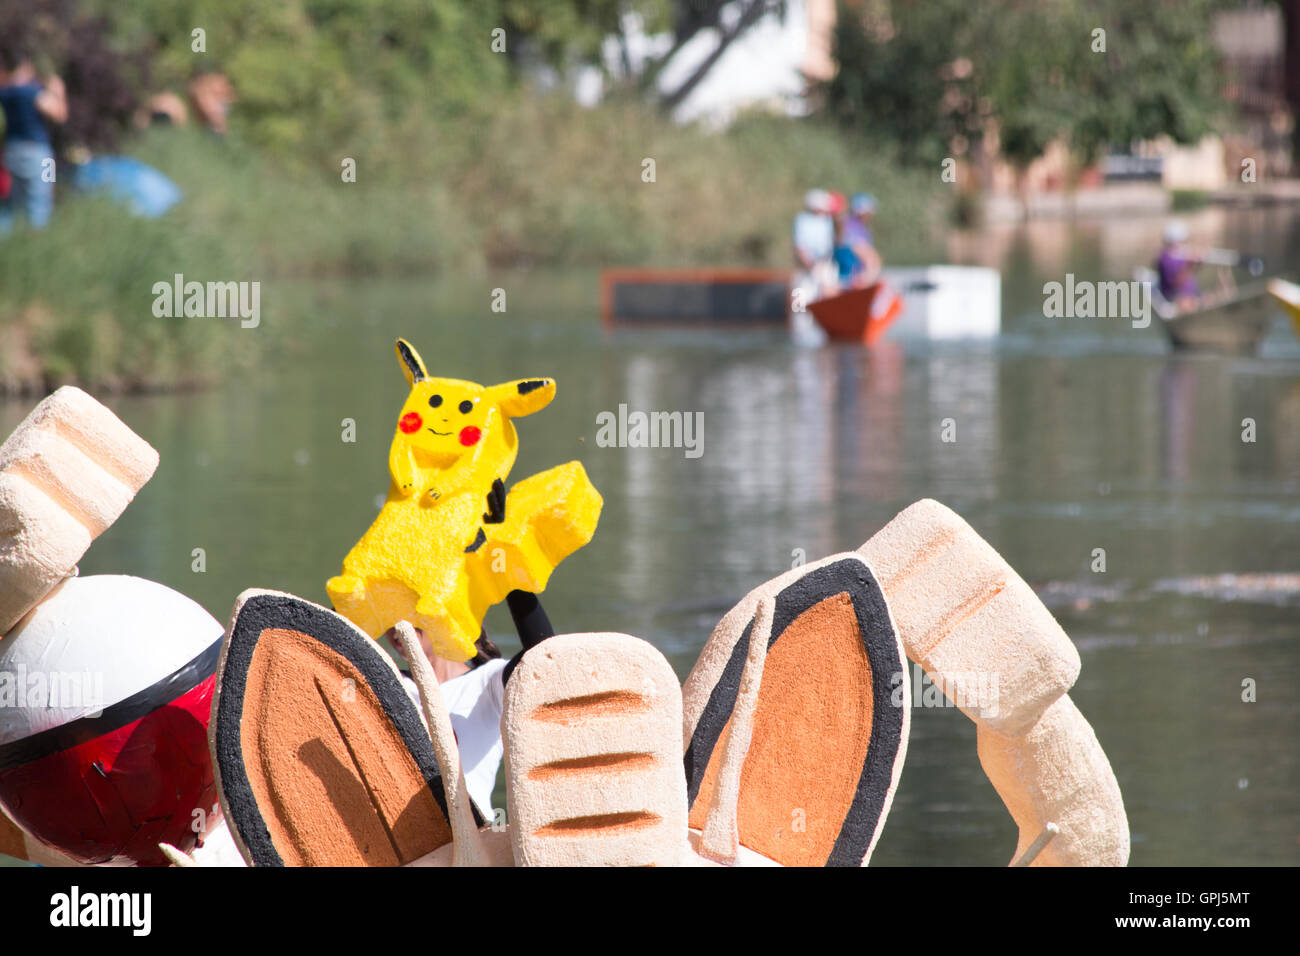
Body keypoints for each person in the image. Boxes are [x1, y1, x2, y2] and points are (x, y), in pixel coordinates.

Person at [392, 589, 557, 819]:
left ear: (447, 613)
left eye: (408, 610)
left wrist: (513, 582)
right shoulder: (387, 680)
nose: (395, 623)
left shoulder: (488, 681)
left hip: (478, 838)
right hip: (405, 843)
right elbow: (327, 652)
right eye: (388, 611)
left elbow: (544, 655)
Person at [0, 44, 66, 233]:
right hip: (40, 154)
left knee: (14, 203)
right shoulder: (32, 92)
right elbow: (60, 114)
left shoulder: (5, 92)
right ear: (26, 66)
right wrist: (59, 91)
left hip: (12, 152)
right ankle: (39, 240)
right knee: (43, 199)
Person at [1156, 220, 1202, 312]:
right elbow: (1177, 284)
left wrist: (1198, 263)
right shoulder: (1165, 259)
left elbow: (1190, 274)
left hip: (1193, 295)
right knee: (1186, 304)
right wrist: (1190, 265)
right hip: (1178, 299)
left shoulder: (1182, 254)